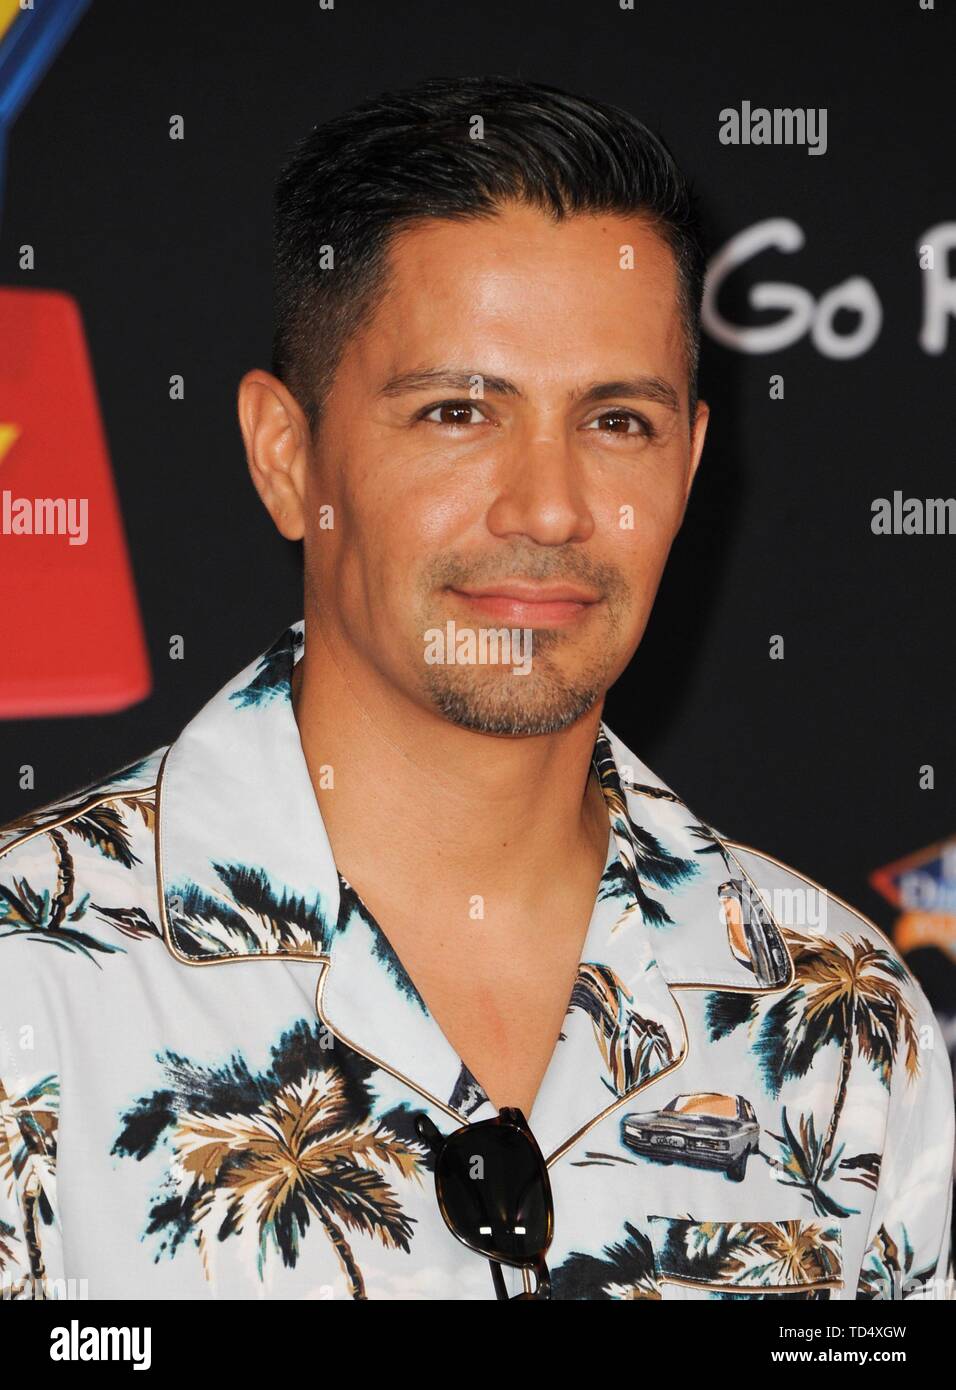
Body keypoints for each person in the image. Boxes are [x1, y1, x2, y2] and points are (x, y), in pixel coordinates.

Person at [0, 76, 952, 1302]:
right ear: (287, 459)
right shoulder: (30, 977)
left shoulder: (842, 1018)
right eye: (458, 411)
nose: (548, 507)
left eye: (615, 420)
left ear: (691, 464)